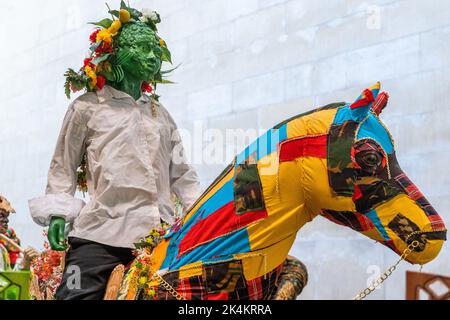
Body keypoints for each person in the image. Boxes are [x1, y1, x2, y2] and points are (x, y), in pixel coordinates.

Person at [28, 4, 200, 300]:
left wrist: (203, 217)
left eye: (154, 51)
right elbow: (63, 165)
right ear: (113, 52)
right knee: (72, 294)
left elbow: (183, 175)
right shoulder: (86, 107)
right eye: (141, 48)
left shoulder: (161, 114)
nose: (151, 56)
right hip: (99, 236)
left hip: (159, 239)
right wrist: (58, 214)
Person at [0, 195, 39, 271]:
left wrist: (25, 262)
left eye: (7, 217)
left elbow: (11, 277)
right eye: (2, 216)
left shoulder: (5, 247)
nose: (6, 221)